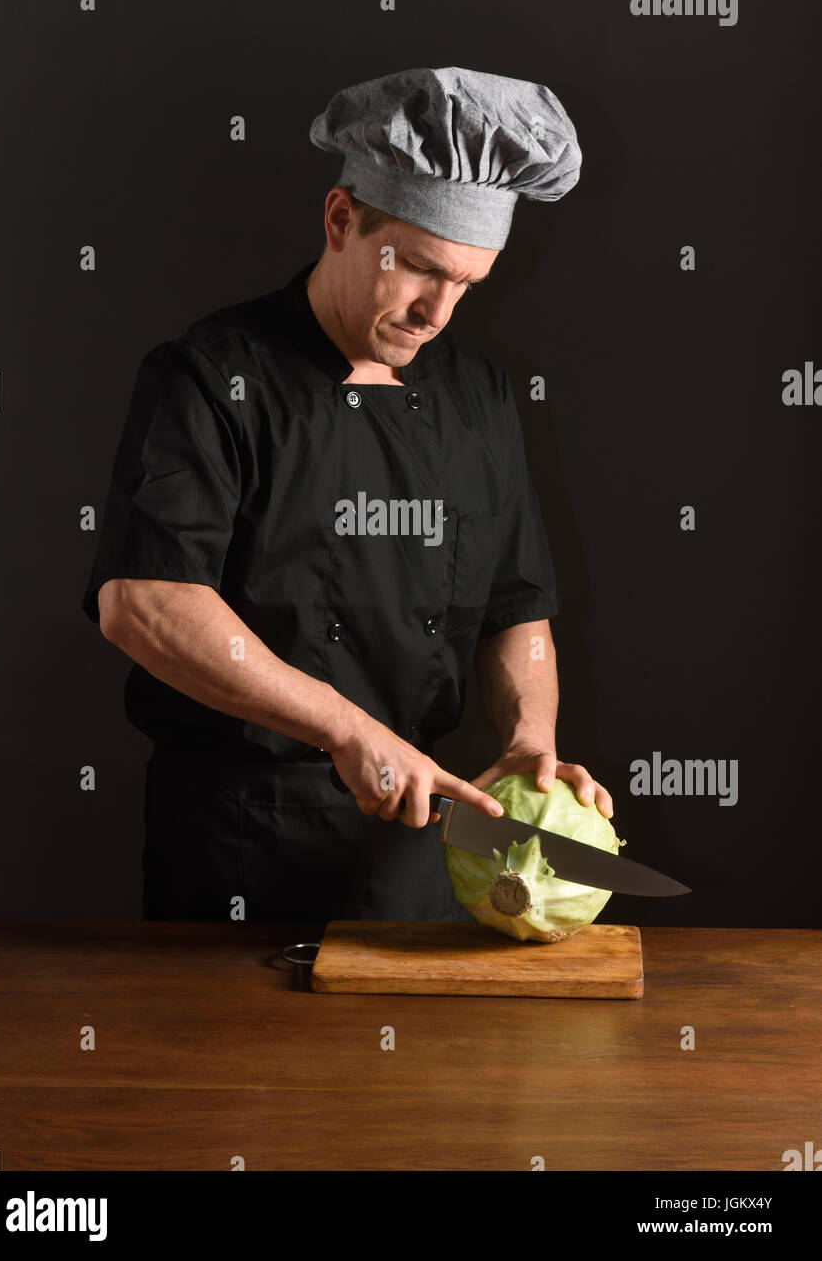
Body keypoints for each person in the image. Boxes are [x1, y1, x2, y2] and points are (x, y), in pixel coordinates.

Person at [81, 65, 615, 923]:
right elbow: (144, 600)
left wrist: (529, 742)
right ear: (342, 220)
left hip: (423, 840)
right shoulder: (212, 378)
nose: (438, 311)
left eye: (468, 285)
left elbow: (517, 606)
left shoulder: (476, 393)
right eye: (422, 271)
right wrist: (343, 727)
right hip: (239, 846)